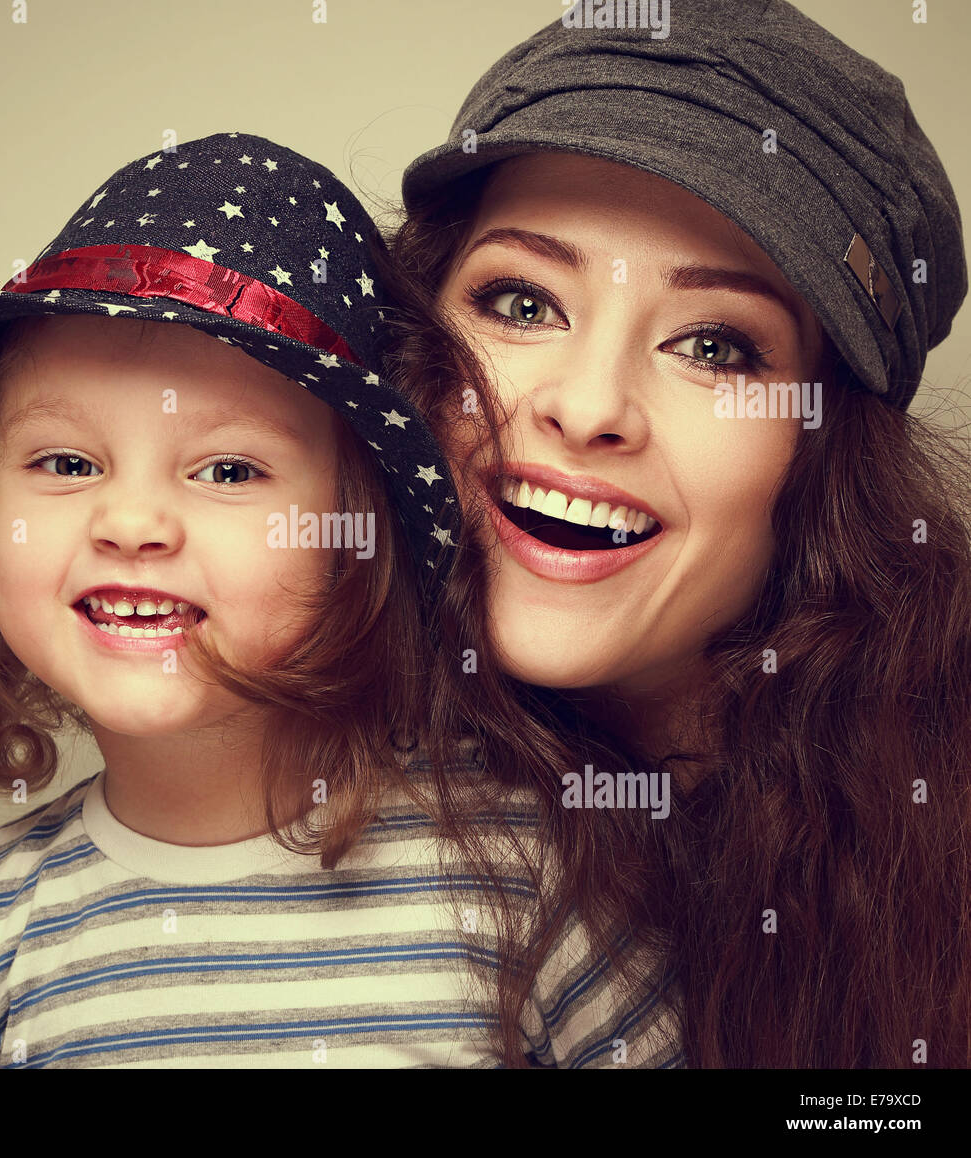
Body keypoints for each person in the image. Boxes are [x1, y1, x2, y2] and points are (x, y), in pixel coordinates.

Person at [0, 132, 678, 1067]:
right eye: (67, 462)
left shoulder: (528, 880)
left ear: (357, 541)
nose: (131, 522)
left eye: (229, 469)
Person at [379, 0, 971, 1067]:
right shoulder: (310, 773)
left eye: (714, 345)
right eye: (520, 301)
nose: (588, 404)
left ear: (824, 450)